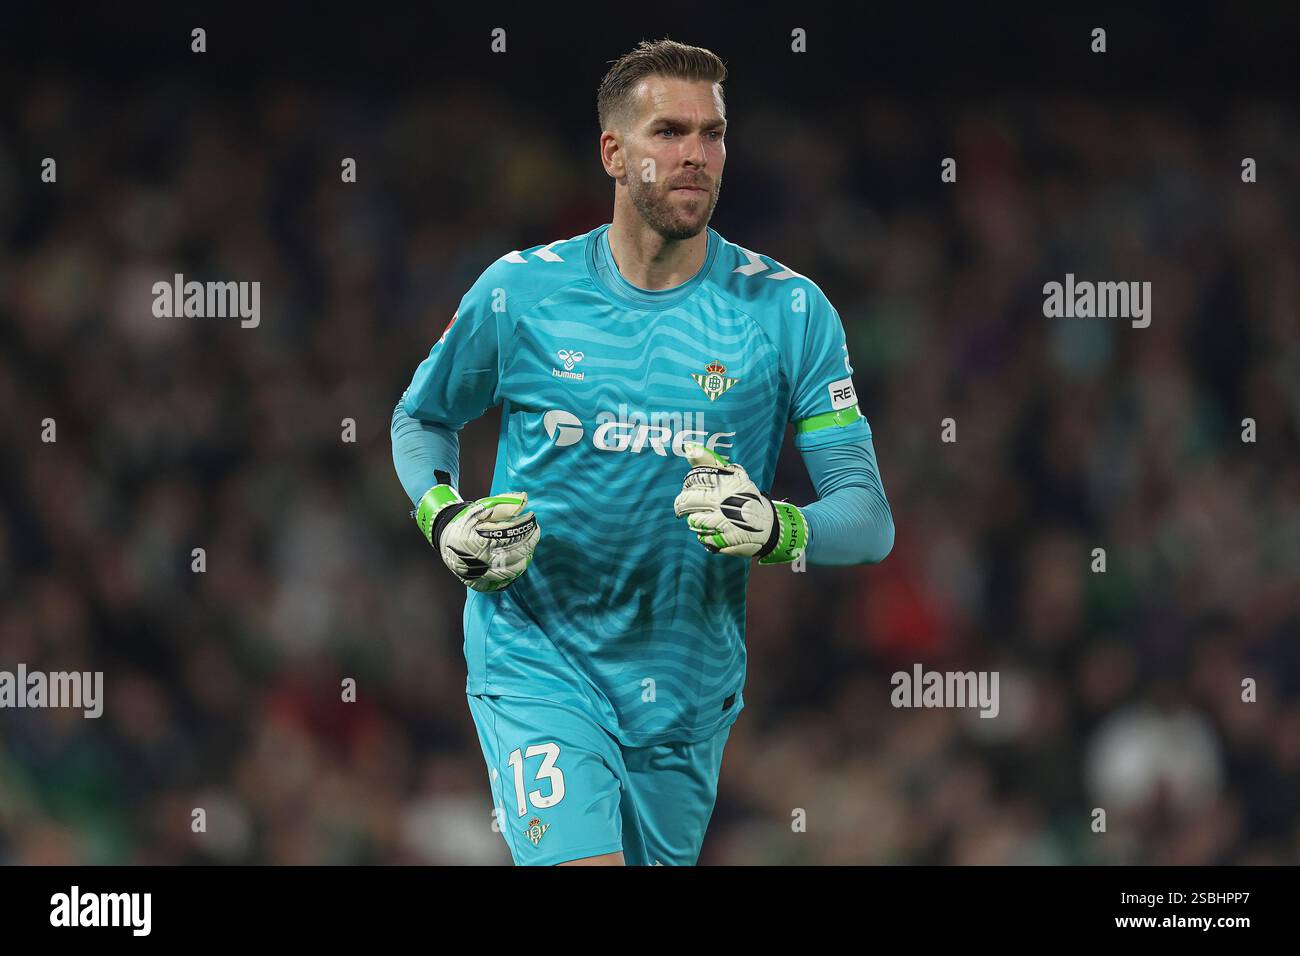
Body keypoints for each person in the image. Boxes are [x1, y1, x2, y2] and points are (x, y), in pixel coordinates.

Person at [390, 38, 894, 866]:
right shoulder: (523, 292)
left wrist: (777, 528)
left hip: (685, 694)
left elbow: (867, 517)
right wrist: (445, 520)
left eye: (713, 133)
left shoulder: (788, 312)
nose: (696, 154)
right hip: (538, 660)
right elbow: (422, 419)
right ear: (613, 152)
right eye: (669, 131)